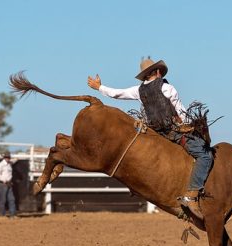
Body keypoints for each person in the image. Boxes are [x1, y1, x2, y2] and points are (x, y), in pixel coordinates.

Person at [87, 58, 212, 217]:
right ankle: (191, 196)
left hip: (153, 133)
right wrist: (191, 126)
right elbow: (181, 113)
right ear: (158, 72)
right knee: (204, 155)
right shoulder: (167, 88)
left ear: (145, 75)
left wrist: (99, 87)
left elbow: (117, 94)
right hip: (172, 132)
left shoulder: (138, 91)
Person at [0, 150, 16, 218]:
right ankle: (2, 215)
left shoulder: (10, 163)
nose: (7, 158)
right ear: (4, 157)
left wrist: (17, 159)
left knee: (11, 199)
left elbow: (14, 161)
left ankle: (12, 215)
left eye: (8, 157)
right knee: (3, 200)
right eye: (6, 157)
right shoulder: (0, 165)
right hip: (3, 184)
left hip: (9, 183)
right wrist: (3, 180)